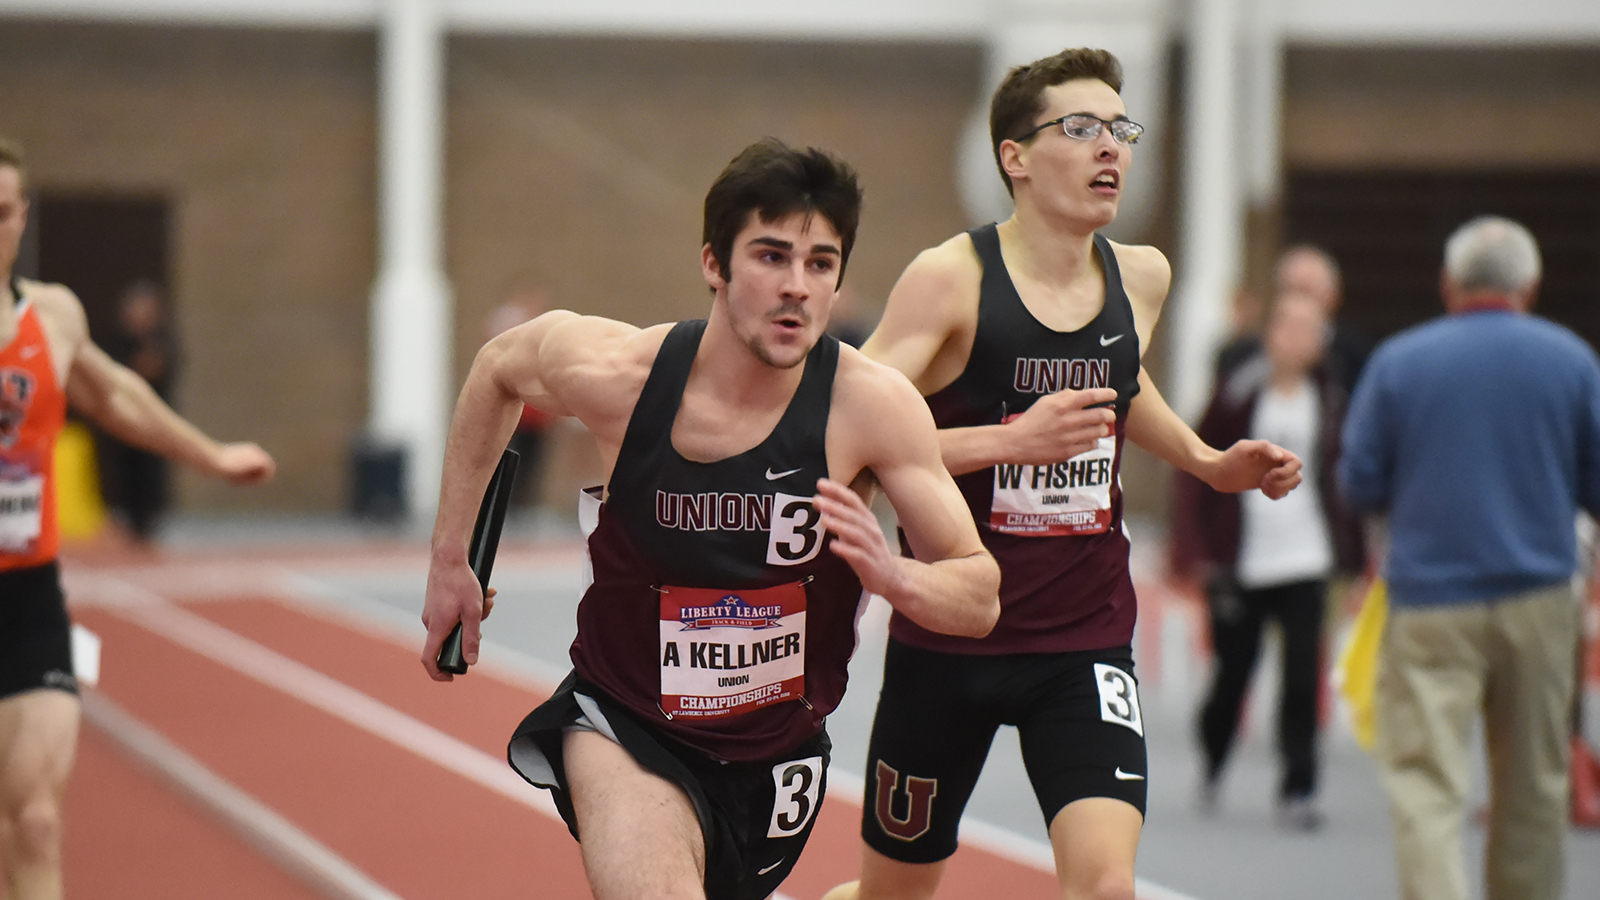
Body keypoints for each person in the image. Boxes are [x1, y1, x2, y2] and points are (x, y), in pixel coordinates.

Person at [419, 138, 1001, 900]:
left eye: (820, 264)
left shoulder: (873, 407)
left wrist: (895, 577)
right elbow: (499, 367)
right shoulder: (622, 377)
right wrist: (452, 558)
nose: (796, 287)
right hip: (627, 723)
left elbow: (979, 592)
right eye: (770, 257)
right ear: (713, 265)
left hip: (777, 754)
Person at [822, 48, 1303, 900]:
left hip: (1083, 637)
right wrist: (1008, 441)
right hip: (949, 639)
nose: (1109, 148)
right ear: (1014, 156)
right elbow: (850, 437)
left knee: (1107, 888)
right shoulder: (949, 280)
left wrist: (1205, 460)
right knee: (891, 896)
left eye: (1120, 129)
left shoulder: (1141, 277)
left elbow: (1122, 387)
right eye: (1080, 129)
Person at [0, 138, 277, 900]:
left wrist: (211, 456)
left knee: (35, 824)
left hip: (26, 601)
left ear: (22, 217)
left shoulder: (51, 317)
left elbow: (116, 394)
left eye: (1, 213)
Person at [1339, 215, 1600, 900]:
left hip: (1430, 597)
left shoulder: (1399, 362)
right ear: (1531, 285)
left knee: (1425, 783)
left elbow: (1359, 481)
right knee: (1533, 789)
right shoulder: (1573, 361)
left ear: (1448, 283)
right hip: (1540, 594)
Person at [1170, 292, 1366, 830]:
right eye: (1289, 326)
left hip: (1307, 558)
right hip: (1243, 560)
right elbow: (1195, 465)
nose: (1298, 338)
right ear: (1271, 333)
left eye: (1310, 329)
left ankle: (1298, 787)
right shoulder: (1237, 394)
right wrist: (1195, 551)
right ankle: (1212, 757)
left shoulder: (1330, 399)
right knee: (1233, 673)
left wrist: (1354, 559)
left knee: (1303, 676)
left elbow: (1344, 480)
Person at [97, 278, 180, 543]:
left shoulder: (163, 341)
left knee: (151, 472)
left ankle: (147, 524)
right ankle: (127, 519)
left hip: (154, 421)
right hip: (123, 420)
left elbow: (162, 368)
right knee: (125, 471)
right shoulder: (119, 341)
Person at [481, 278, 554, 512]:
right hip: (516, 406)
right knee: (509, 455)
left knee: (532, 458)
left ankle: (525, 503)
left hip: (537, 411)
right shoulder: (508, 325)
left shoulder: (544, 324)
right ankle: (505, 504)